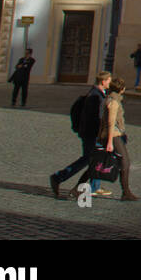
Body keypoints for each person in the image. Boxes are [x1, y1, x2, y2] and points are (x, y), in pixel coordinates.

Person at [49, 71, 111, 199]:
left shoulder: (96, 94)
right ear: (103, 81)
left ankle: (95, 186)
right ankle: (58, 177)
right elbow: (94, 119)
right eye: (108, 80)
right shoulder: (95, 96)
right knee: (88, 159)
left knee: (94, 159)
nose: (109, 83)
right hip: (91, 134)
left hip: (90, 133)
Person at [105, 77, 139, 201]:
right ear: (122, 89)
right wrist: (109, 141)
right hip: (113, 136)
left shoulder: (112, 99)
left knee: (97, 162)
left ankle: (77, 188)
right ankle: (126, 192)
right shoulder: (114, 101)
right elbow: (111, 122)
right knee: (125, 163)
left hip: (115, 135)